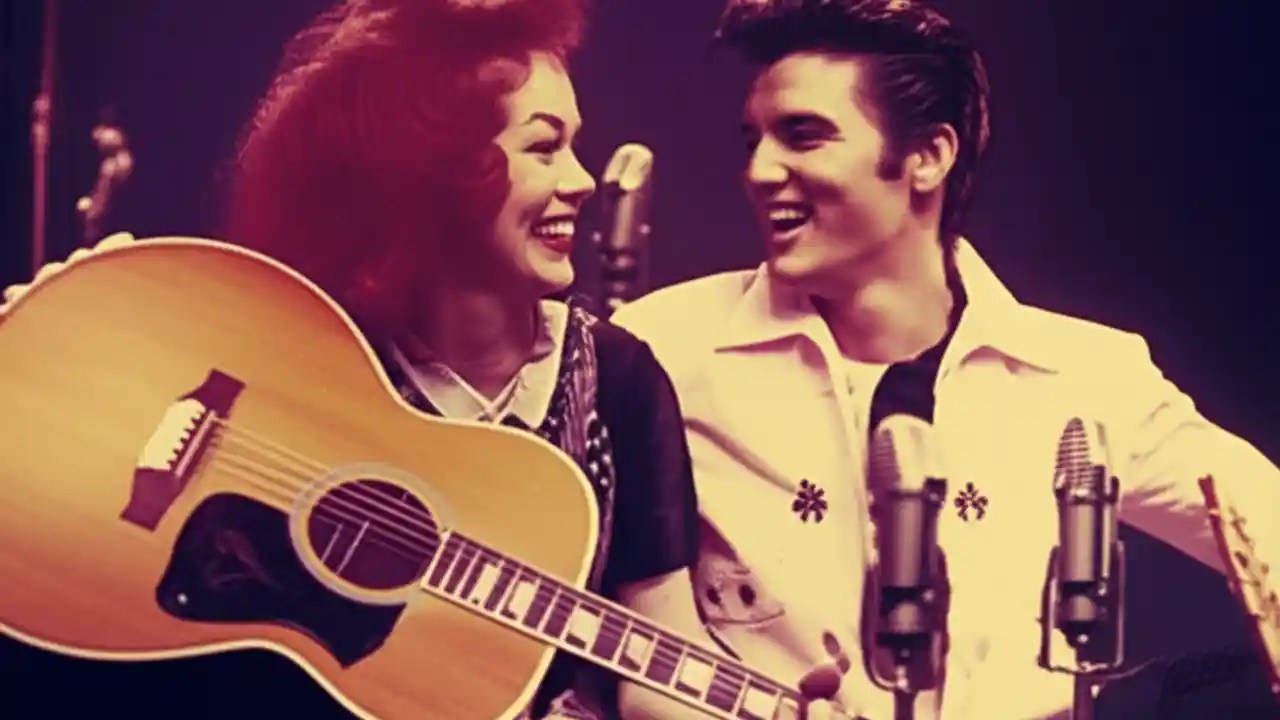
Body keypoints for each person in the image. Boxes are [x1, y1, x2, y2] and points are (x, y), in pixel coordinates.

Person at [0, 1, 763, 718]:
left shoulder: (618, 379)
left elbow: (664, 643)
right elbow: (77, 450)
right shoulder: (305, 341)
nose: (582, 180)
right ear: (435, 172)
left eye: (574, 144)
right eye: (544, 147)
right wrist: (53, 335)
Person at [608, 1, 1280, 719]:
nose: (760, 170)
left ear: (928, 156)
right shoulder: (663, 349)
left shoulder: (1085, 376)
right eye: (752, 141)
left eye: (802, 136)